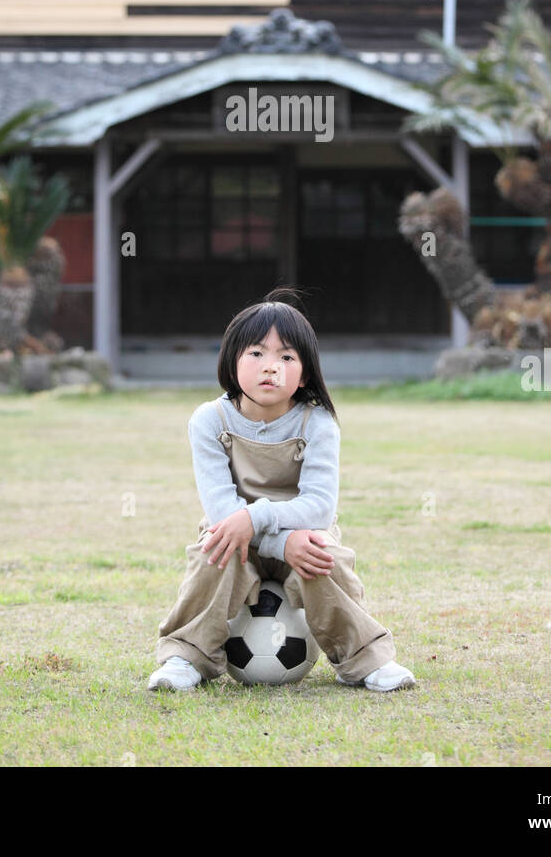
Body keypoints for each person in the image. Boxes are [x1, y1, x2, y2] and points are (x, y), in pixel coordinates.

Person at [148, 287, 416, 693]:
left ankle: (365, 659)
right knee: (214, 550)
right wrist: (269, 539)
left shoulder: (318, 423)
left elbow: (320, 507)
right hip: (233, 534)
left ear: (304, 373)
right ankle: (186, 655)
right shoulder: (209, 420)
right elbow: (223, 510)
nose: (270, 367)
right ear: (231, 361)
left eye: (286, 356)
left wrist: (270, 527)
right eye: (256, 353)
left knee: (321, 555)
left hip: (302, 531)